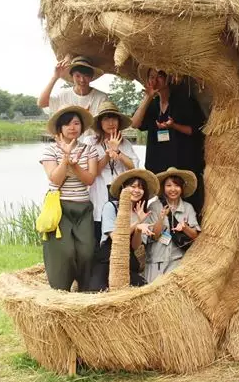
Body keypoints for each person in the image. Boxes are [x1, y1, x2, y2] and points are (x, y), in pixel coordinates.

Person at [38, 105, 99, 291]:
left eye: (76, 123)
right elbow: (54, 178)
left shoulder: (89, 150)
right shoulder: (50, 150)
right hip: (60, 206)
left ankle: (83, 285)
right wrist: (65, 159)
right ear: (60, 128)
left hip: (83, 206)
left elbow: (90, 178)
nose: (72, 127)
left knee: (87, 250)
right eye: (67, 124)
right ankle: (60, 288)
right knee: (65, 251)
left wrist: (75, 165)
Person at [130, 69, 206, 215]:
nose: (155, 80)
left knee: (185, 206)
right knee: (161, 207)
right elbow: (135, 123)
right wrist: (148, 97)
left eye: (159, 76)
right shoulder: (152, 104)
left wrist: (174, 126)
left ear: (168, 79)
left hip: (182, 163)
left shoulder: (184, 100)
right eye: (152, 77)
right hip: (158, 163)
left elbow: (195, 130)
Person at [89, 169, 162, 291]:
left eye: (140, 187)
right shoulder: (111, 207)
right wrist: (137, 223)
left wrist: (138, 229)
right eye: (132, 186)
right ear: (123, 187)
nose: (136, 190)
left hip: (128, 260)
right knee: (96, 291)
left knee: (143, 290)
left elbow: (135, 246)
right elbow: (116, 238)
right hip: (108, 257)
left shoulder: (142, 212)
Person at [82, 101, 140, 241]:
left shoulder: (125, 143)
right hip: (99, 195)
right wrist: (108, 154)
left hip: (120, 196)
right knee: (99, 237)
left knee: (121, 235)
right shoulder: (90, 142)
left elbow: (135, 168)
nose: (110, 123)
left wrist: (118, 152)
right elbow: (91, 172)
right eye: (106, 119)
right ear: (100, 123)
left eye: (113, 118)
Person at [143, 167, 201, 283]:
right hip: (156, 262)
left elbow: (196, 236)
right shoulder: (155, 206)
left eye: (177, 185)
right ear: (163, 188)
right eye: (169, 185)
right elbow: (154, 236)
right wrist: (161, 218)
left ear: (182, 188)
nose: (173, 189)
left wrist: (185, 227)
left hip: (178, 262)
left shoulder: (188, 208)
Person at [37, 55, 109, 117]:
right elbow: (42, 103)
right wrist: (55, 77)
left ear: (91, 77)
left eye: (86, 76)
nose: (82, 80)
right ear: (72, 76)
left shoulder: (101, 97)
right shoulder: (63, 95)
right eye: (77, 76)